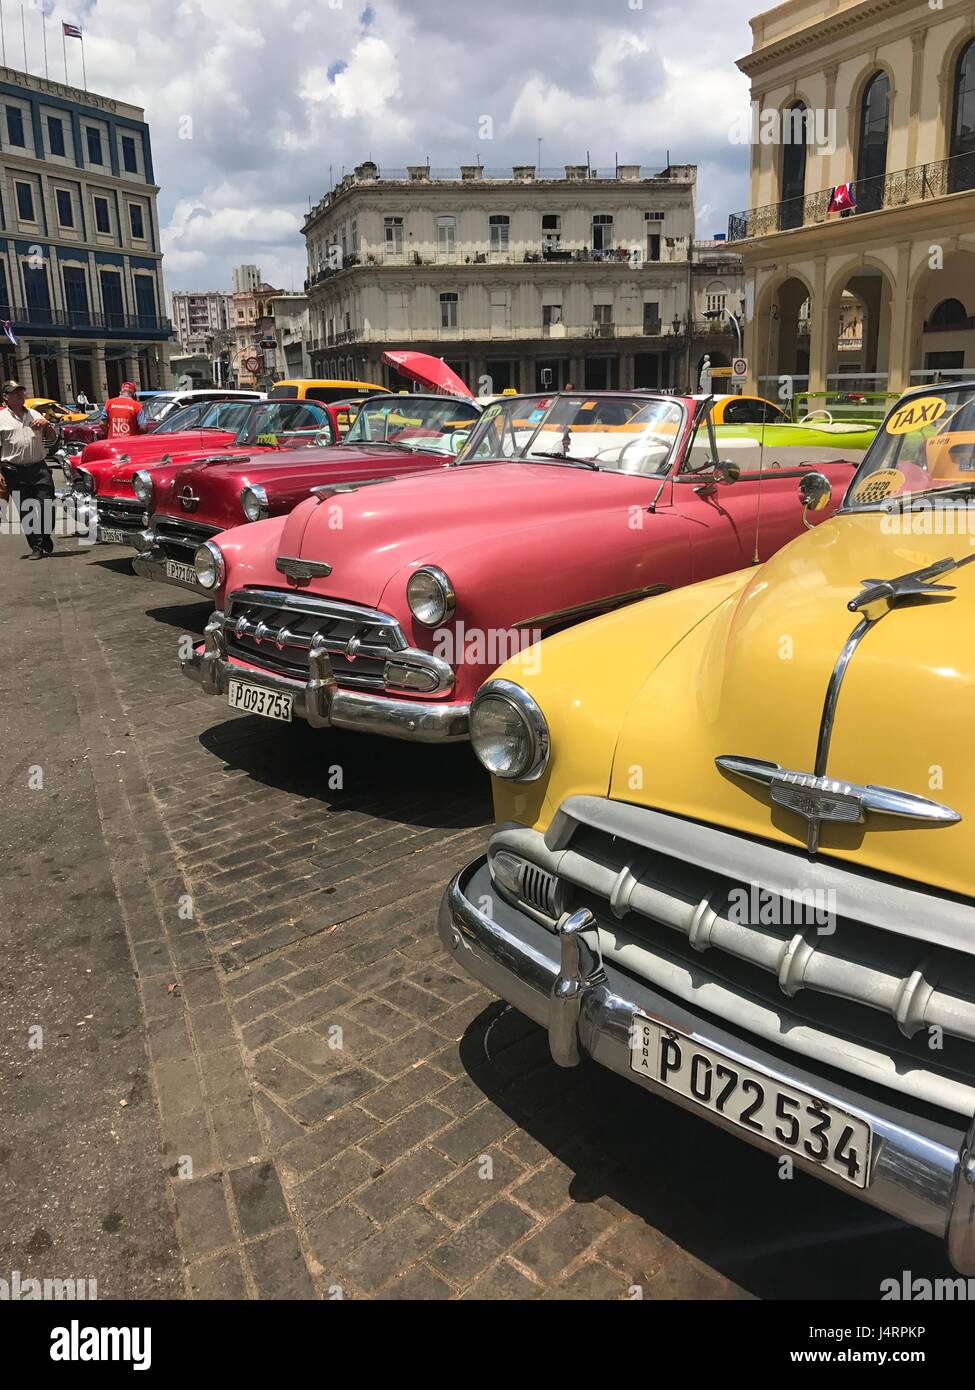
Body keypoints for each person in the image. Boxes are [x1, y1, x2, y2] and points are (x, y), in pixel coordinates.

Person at [0, 380, 58, 559]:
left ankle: (45, 534)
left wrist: (47, 426)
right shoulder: (1, 419)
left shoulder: (34, 414)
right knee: (27, 510)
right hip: (14, 470)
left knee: (47, 503)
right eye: (14, 393)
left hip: (39, 467)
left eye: (21, 392)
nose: (19, 395)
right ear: (5, 397)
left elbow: (52, 439)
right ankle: (37, 546)